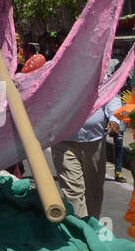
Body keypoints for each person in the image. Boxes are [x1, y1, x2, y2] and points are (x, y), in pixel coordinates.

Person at [50, 77, 121, 220]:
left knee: (94, 192)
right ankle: (82, 232)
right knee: (73, 193)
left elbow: (112, 96)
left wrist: (114, 119)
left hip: (95, 143)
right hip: (63, 142)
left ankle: (92, 226)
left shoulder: (101, 74)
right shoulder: (56, 71)